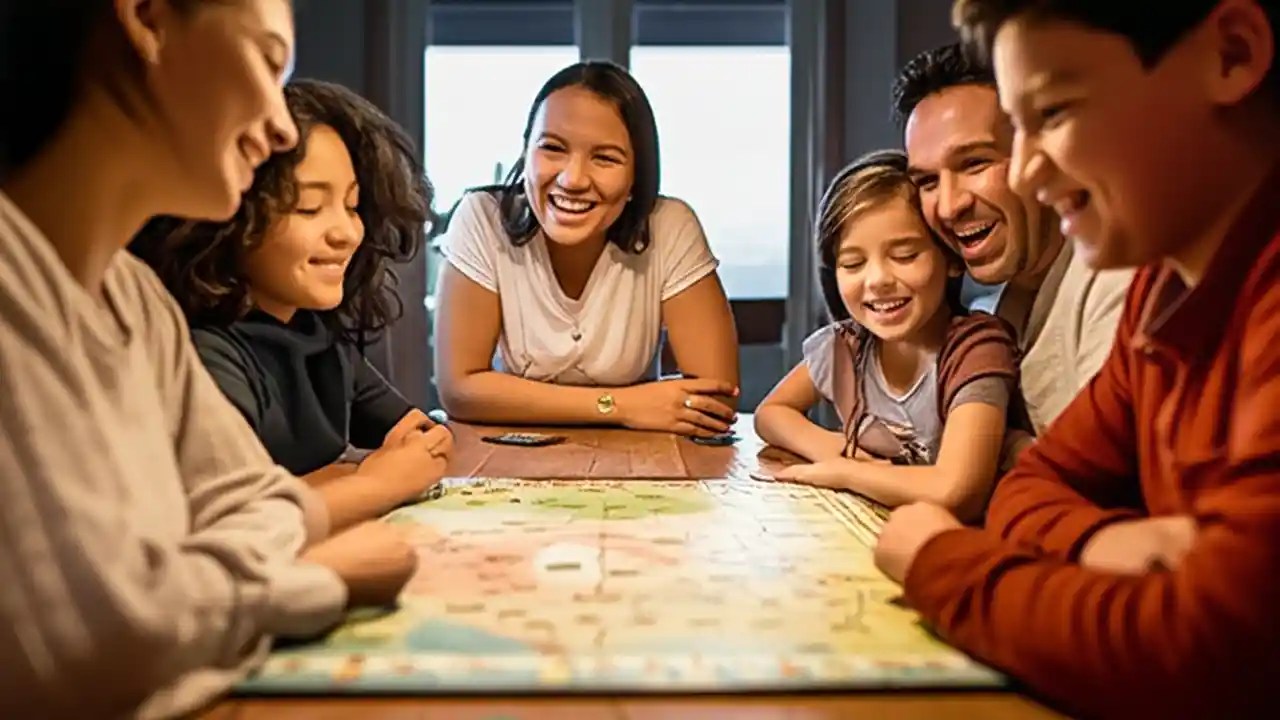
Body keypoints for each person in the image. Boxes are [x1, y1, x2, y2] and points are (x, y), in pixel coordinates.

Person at [0, 2, 416, 717]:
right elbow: (99, 645)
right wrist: (321, 579)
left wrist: (181, 580)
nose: (281, 124)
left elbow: (250, 499)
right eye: (265, 60)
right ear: (149, 18)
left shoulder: (134, 299)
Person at [874, 0, 1280, 716]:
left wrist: (940, 563)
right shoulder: (1166, 286)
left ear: (1233, 56)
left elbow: (1210, 650)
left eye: (1055, 113)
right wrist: (1108, 542)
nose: (1028, 173)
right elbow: (1032, 483)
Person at [132, 79, 452, 533]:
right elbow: (230, 520)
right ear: (228, 217)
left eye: (352, 205)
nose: (345, 233)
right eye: (309, 208)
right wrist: (374, 483)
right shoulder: (204, 353)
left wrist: (377, 470)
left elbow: (419, 434)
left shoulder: (317, 332)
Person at [433, 61, 741, 438]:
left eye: (605, 158)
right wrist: (622, 406)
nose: (572, 179)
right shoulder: (481, 218)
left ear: (636, 175)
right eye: (552, 148)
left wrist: (512, 397)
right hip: (513, 458)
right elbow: (460, 390)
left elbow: (716, 399)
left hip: (639, 464)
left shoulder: (669, 225)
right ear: (525, 151)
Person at [756, 150, 1019, 523]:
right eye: (853, 263)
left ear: (952, 259)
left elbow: (958, 492)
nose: (877, 280)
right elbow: (770, 413)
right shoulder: (845, 346)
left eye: (906, 255)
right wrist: (833, 449)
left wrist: (848, 473)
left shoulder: (975, 349)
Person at [893, 41, 1133, 438]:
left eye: (975, 163)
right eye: (928, 181)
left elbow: (1112, 483)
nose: (950, 206)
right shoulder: (989, 305)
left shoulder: (1114, 283)